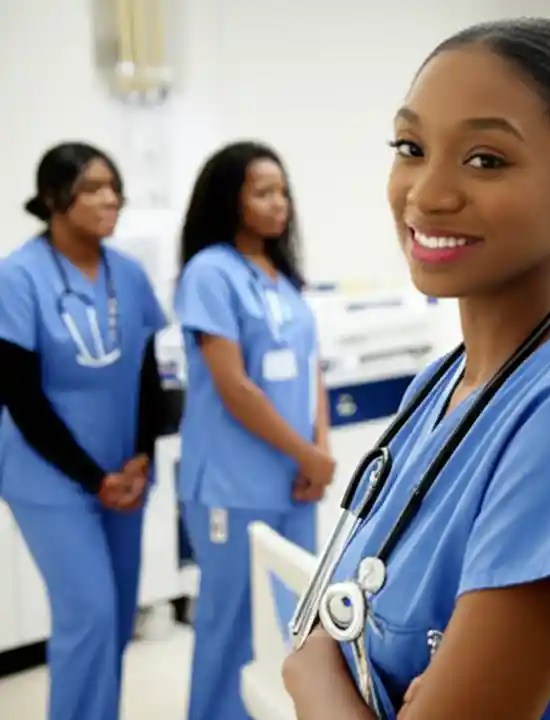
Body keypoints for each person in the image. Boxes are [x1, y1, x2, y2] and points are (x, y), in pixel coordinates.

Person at [281, 17, 550, 720]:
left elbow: (319, 649)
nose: (427, 193)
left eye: (485, 159)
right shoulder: (438, 386)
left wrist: (311, 674)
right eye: (411, 147)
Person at [0, 142, 167, 720]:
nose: (110, 198)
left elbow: (147, 372)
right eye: (93, 187)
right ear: (53, 199)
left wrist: (142, 456)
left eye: (114, 186)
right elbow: (20, 396)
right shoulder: (18, 276)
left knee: (117, 617)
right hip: (49, 477)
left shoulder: (128, 273)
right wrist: (94, 478)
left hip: (125, 471)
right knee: (89, 614)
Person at [174, 141, 334, 720]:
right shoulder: (209, 272)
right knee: (231, 626)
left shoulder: (282, 278)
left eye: (283, 191)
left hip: (292, 480)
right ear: (229, 199)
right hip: (232, 486)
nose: (279, 203)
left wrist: (320, 451)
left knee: (292, 619)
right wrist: (305, 453)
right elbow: (235, 388)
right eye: (263, 192)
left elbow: (311, 364)